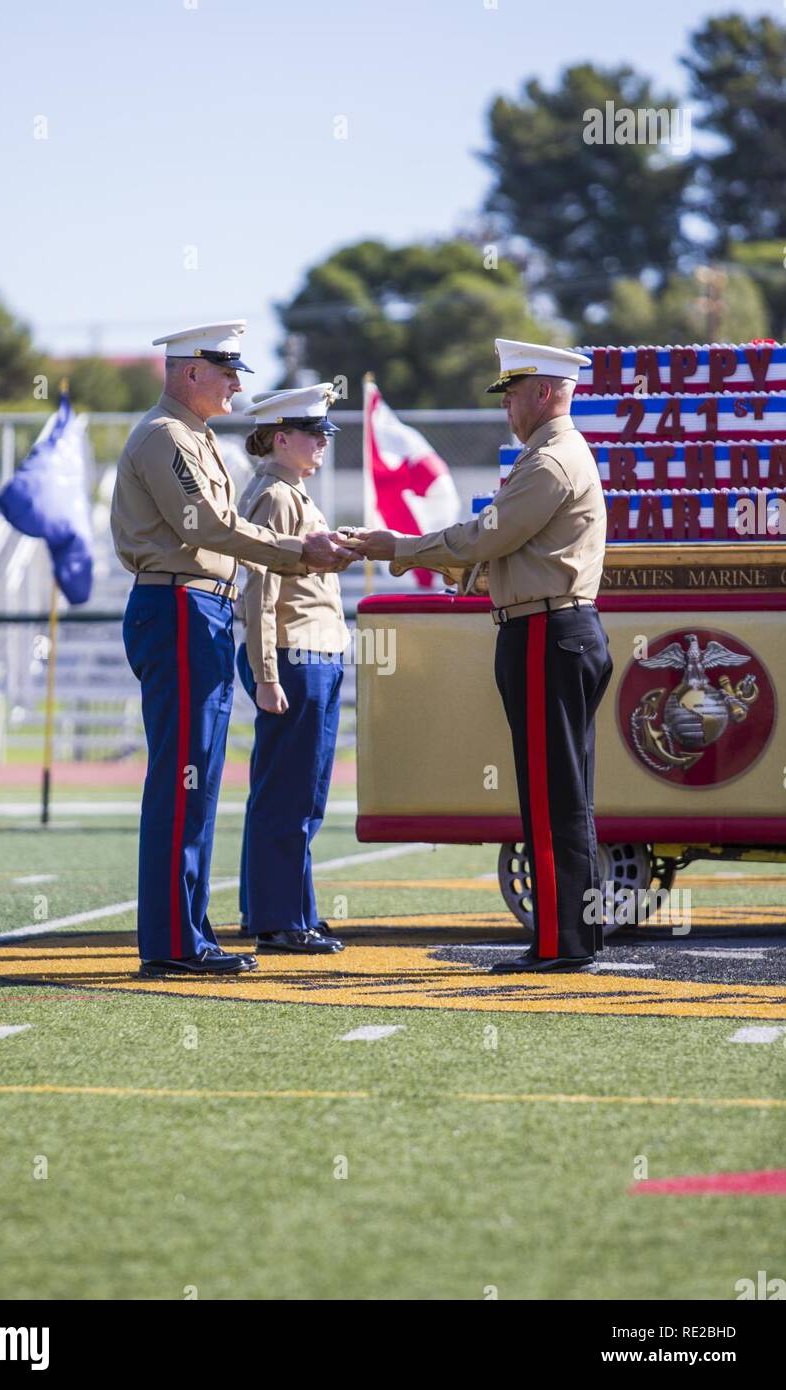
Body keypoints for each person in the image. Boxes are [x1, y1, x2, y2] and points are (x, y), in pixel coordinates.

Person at [346, 338, 613, 973]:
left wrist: (397, 547)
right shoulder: (553, 455)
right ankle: (574, 935)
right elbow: (509, 549)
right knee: (564, 794)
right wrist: (461, 567)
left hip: (547, 635)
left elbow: (488, 535)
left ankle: (559, 942)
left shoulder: (549, 460)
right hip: (554, 630)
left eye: (514, 394)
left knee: (551, 797)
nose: (508, 408)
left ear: (543, 393)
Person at [110, 321, 354, 978]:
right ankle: (174, 942)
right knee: (185, 780)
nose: (237, 384)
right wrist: (296, 552)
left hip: (201, 607)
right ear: (191, 372)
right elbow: (207, 525)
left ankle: (187, 931)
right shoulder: (167, 437)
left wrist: (292, 553)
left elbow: (219, 527)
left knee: (200, 780)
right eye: (227, 370)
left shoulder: (192, 438)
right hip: (181, 604)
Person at [235, 385, 350, 954]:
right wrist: (266, 674)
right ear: (281, 439)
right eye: (313, 432)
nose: (322, 442)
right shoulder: (277, 496)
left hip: (310, 651)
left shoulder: (290, 492)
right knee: (290, 792)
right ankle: (279, 920)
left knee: (298, 791)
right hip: (293, 652)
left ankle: (285, 909)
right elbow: (259, 588)